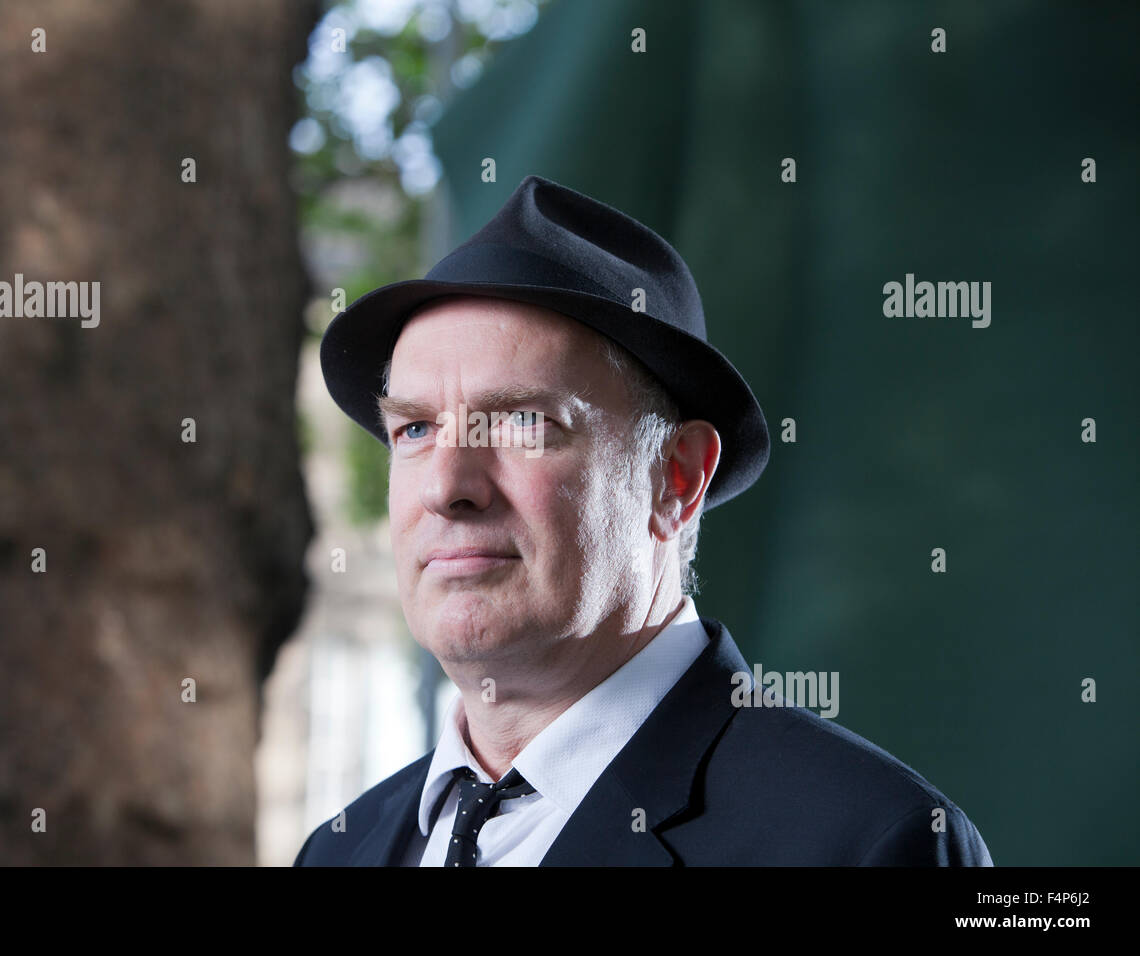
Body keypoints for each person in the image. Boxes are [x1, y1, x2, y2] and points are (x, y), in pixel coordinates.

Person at [296, 175, 992, 866]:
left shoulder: (867, 843)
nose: (448, 487)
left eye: (524, 422)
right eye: (415, 430)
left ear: (676, 478)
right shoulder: (336, 853)